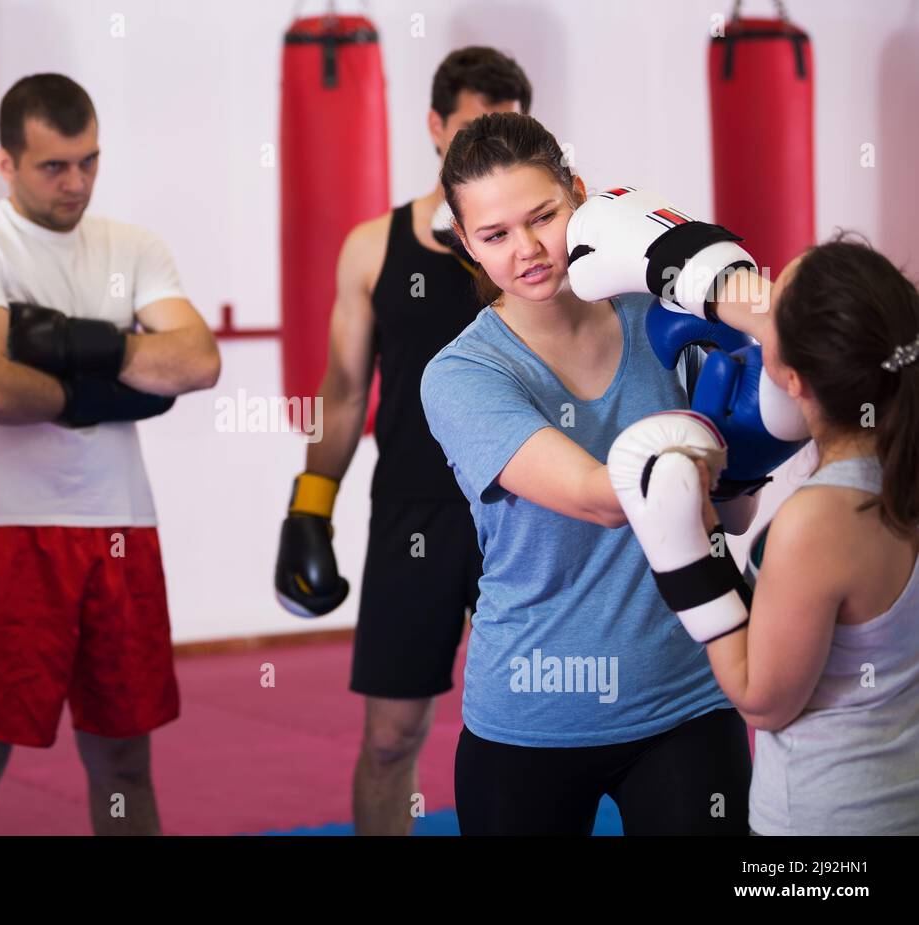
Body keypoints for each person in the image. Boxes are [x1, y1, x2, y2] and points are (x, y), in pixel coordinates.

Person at [419, 113, 770, 835]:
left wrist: (748, 454)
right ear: (466, 244)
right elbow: (600, 496)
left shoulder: (663, 315)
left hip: (686, 698)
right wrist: (700, 444)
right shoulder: (461, 373)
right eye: (495, 235)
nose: (528, 250)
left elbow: (731, 514)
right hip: (531, 711)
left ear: (581, 196)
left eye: (543, 216)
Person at [0, 73, 220, 836]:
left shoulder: (133, 245)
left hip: (122, 527)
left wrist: (73, 344)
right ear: (6, 161)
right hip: (3, 533)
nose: (77, 181)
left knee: (125, 762)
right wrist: (114, 386)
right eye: (55, 166)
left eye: (89, 161)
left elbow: (196, 362)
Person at [273, 47, 531, 835]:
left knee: (535, 735)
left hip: (524, 506)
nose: (488, 148)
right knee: (390, 738)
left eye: (507, 132)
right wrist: (309, 508)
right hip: (413, 511)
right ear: (432, 125)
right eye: (470, 130)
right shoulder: (372, 247)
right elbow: (345, 391)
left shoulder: (537, 248)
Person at [602, 231, 919, 835]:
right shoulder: (899, 473)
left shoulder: (821, 520)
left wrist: (691, 550)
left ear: (792, 380)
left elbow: (764, 699)